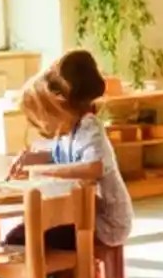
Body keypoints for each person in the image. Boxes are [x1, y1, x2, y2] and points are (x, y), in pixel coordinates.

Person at [8, 49, 134, 253]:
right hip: (84, 214)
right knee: (21, 236)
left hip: (105, 223)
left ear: (60, 106)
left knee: (25, 238)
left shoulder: (89, 126)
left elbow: (93, 167)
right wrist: (34, 158)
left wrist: (43, 171)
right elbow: (61, 156)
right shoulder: (72, 132)